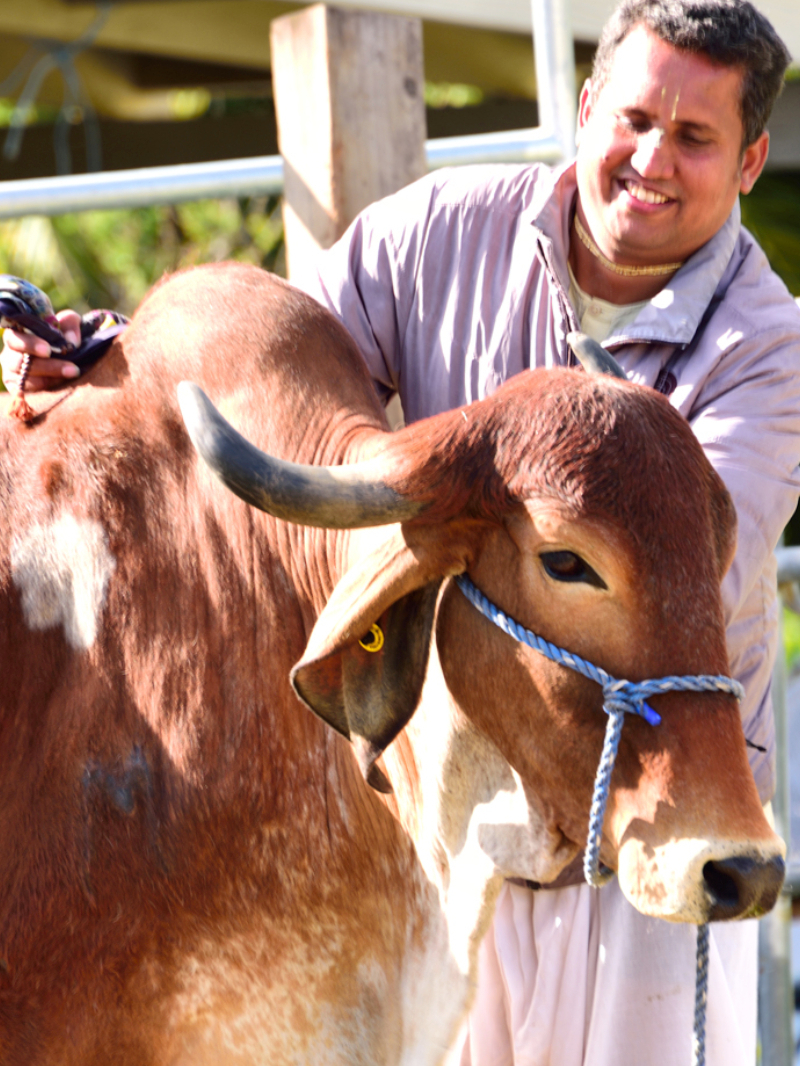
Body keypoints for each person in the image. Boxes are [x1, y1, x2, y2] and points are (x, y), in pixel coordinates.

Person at [3, 0, 800, 1061]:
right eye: (631, 118)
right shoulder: (436, 231)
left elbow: (689, 552)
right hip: (452, 806)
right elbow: (281, 389)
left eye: (693, 138)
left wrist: (475, 488)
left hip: (642, 811)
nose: (648, 159)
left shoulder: (766, 354)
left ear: (749, 162)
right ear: (582, 107)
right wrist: (108, 359)